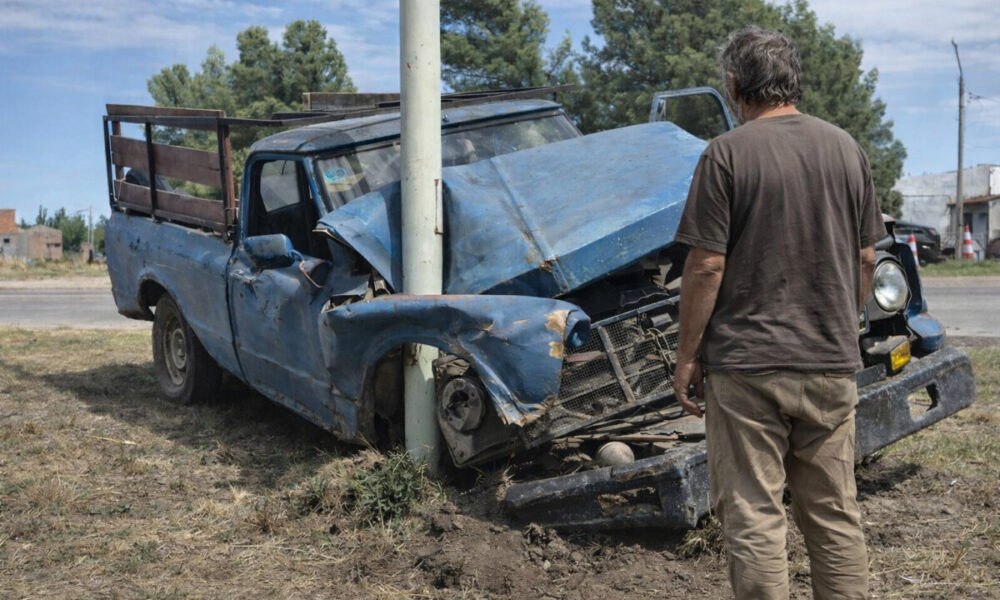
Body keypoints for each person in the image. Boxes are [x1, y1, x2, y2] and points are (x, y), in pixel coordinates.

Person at [671, 27, 885, 600]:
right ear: (792, 80)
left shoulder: (726, 153)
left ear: (735, 85)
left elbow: (707, 265)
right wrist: (842, 322)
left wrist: (686, 355)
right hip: (829, 362)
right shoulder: (846, 148)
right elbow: (867, 256)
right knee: (835, 514)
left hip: (747, 369)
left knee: (754, 515)